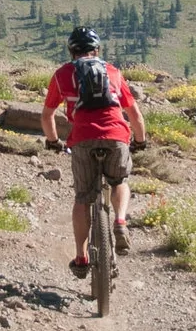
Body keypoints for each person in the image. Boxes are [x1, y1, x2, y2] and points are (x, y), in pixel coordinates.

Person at [41, 26, 146, 278]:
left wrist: (54, 141)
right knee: (119, 180)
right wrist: (140, 142)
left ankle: (81, 256)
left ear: (71, 51)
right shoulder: (112, 72)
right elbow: (135, 115)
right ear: (96, 50)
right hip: (116, 136)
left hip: (82, 139)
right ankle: (120, 221)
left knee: (82, 199)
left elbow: (47, 115)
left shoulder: (62, 75)